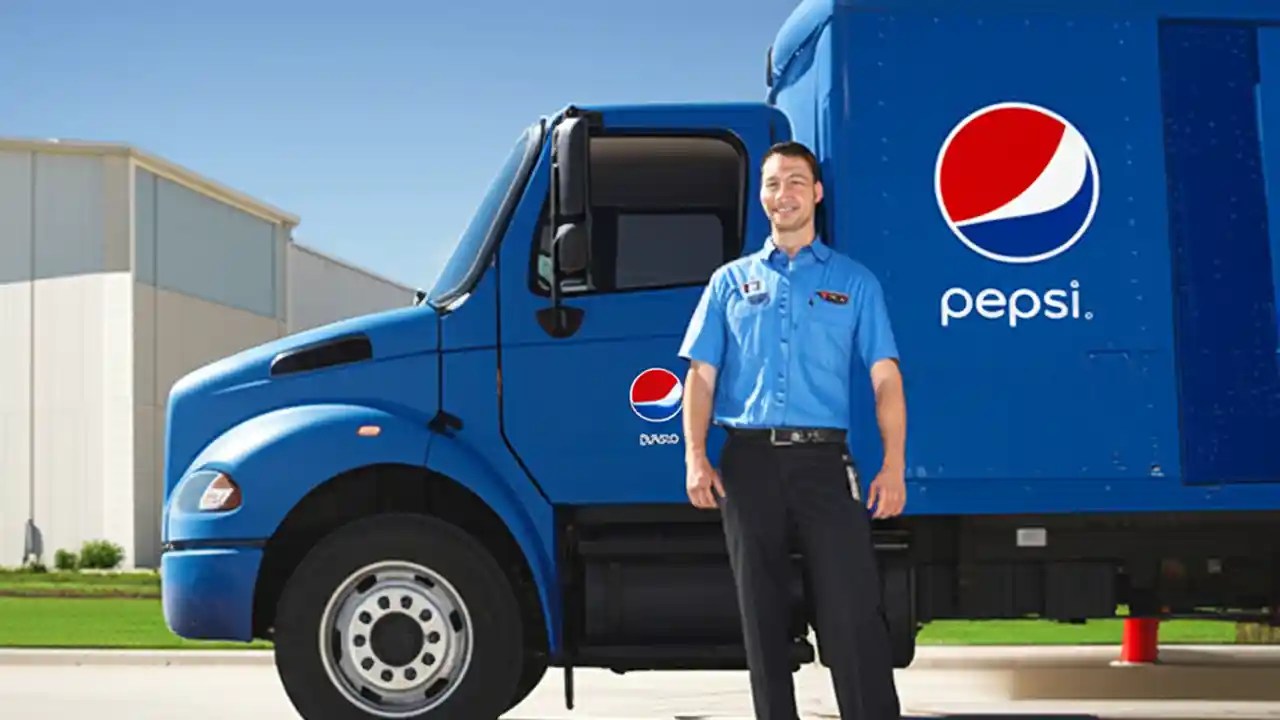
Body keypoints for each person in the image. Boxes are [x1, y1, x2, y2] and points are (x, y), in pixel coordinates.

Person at [677, 140, 907, 720]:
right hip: (747, 464)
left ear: (817, 192)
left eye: (797, 182)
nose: (786, 194)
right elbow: (701, 377)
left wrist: (893, 463)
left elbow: (885, 378)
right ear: (762, 196)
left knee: (852, 611)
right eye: (774, 183)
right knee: (762, 616)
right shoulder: (729, 283)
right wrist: (695, 457)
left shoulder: (855, 283)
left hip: (825, 466)